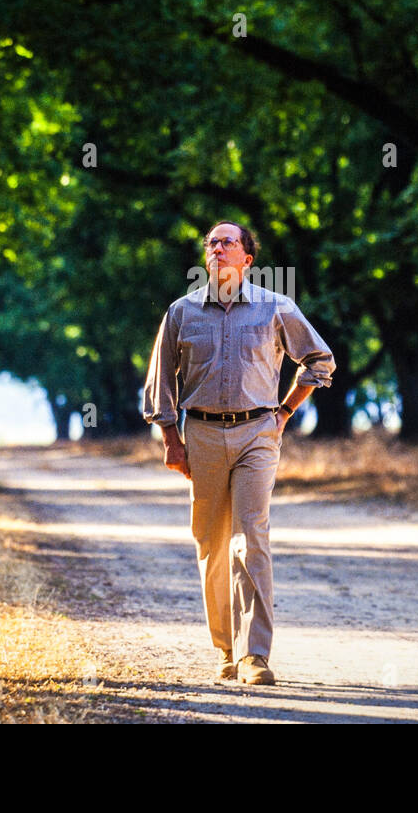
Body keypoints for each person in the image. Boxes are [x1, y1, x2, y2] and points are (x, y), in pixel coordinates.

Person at [141, 220, 335, 685]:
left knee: (252, 538)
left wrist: (284, 412)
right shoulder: (182, 312)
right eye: (212, 243)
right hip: (202, 435)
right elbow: (160, 381)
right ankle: (225, 650)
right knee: (211, 544)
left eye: (228, 242)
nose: (218, 248)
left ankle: (255, 656)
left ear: (247, 259)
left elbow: (319, 360)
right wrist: (172, 439)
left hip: (257, 434)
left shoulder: (275, 308)